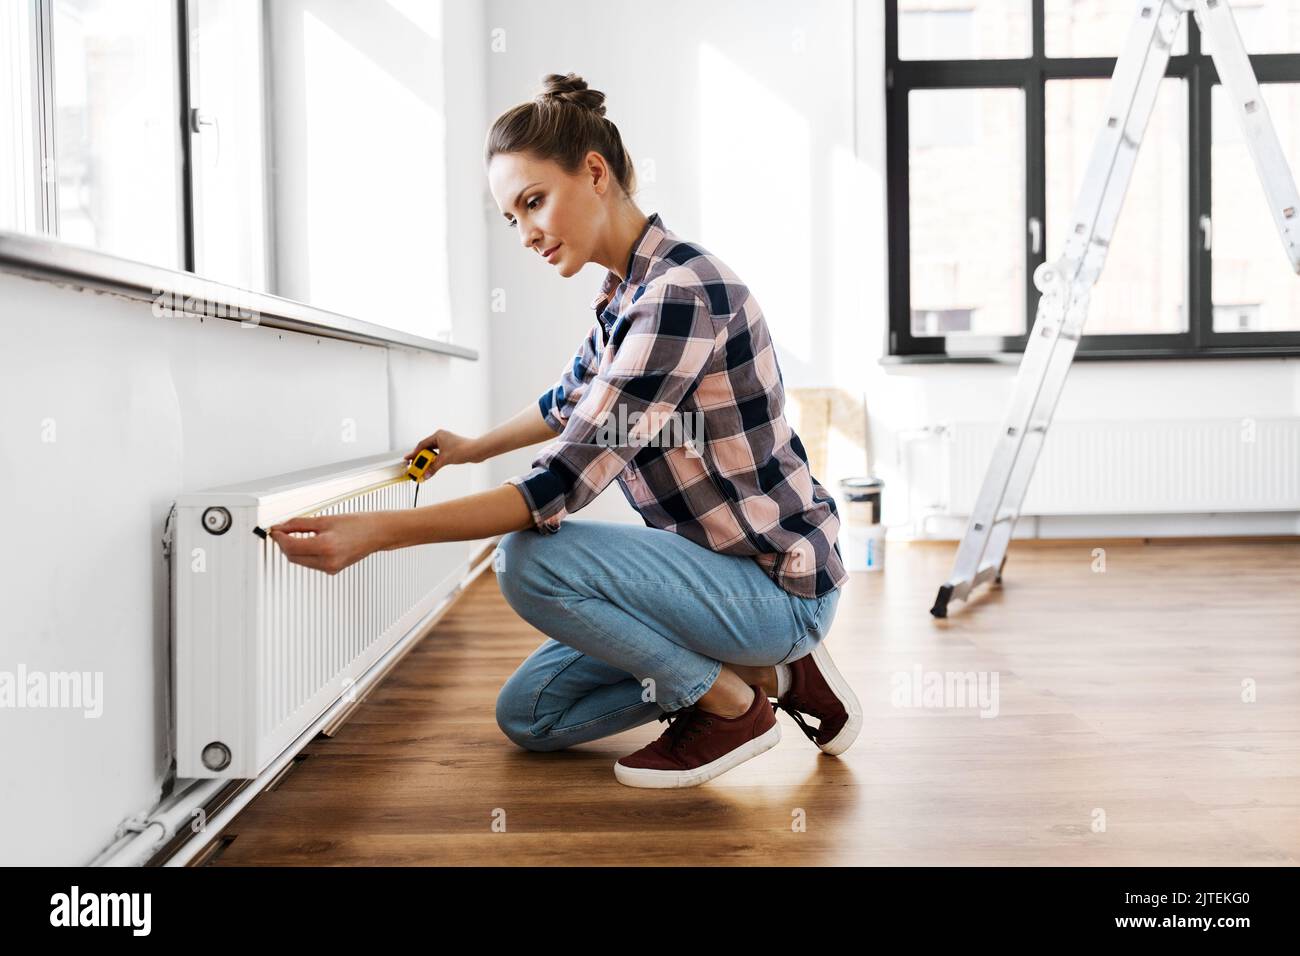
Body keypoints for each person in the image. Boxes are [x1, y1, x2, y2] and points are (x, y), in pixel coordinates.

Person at [270, 72, 861, 789]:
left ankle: (733, 705)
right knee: (532, 717)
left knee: (527, 560)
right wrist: (468, 447)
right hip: (713, 577)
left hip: (771, 586)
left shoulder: (678, 298)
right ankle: (778, 679)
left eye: (532, 203)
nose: (524, 234)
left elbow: (560, 484)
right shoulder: (624, 293)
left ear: (594, 172)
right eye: (511, 218)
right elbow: (568, 402)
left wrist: (379, 534)